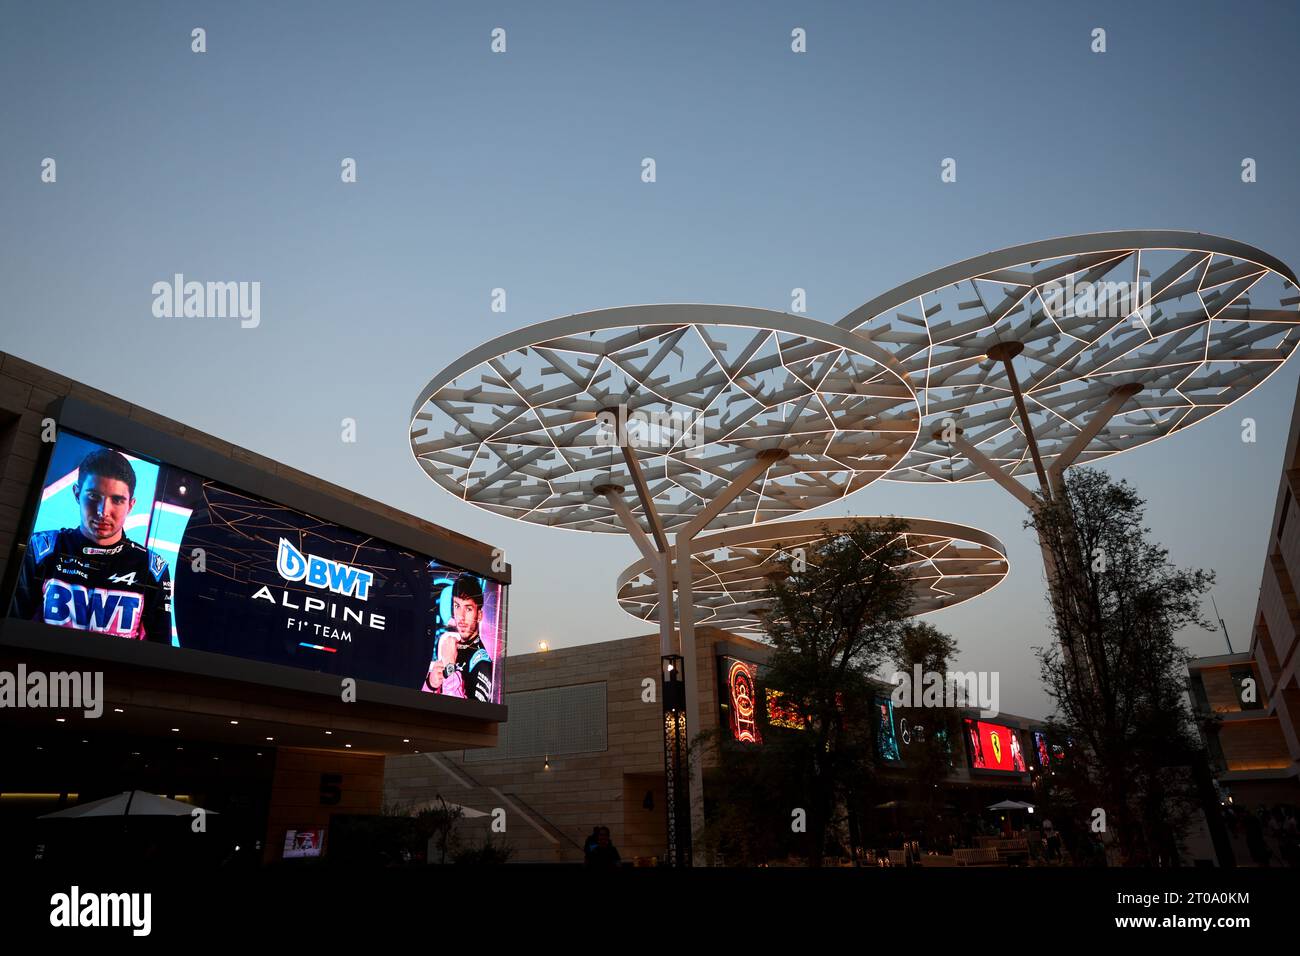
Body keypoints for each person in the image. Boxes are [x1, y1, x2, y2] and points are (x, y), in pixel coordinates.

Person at [10, 448, 172, 643]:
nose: (104, 511)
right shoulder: (40, 549)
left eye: (117, 500)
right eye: (94, 496)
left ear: (131, 505)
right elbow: (12, 631)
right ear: (77, 494)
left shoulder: (152, 568)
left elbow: (159, 653)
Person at [424, 575, 493, 702]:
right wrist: (431, 684)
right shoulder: (452, 647)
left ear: (479, 615)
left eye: (468, 608)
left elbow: (468, 715)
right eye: (457, 606)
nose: (461, 617)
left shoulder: (482, 661)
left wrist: (450, 665)